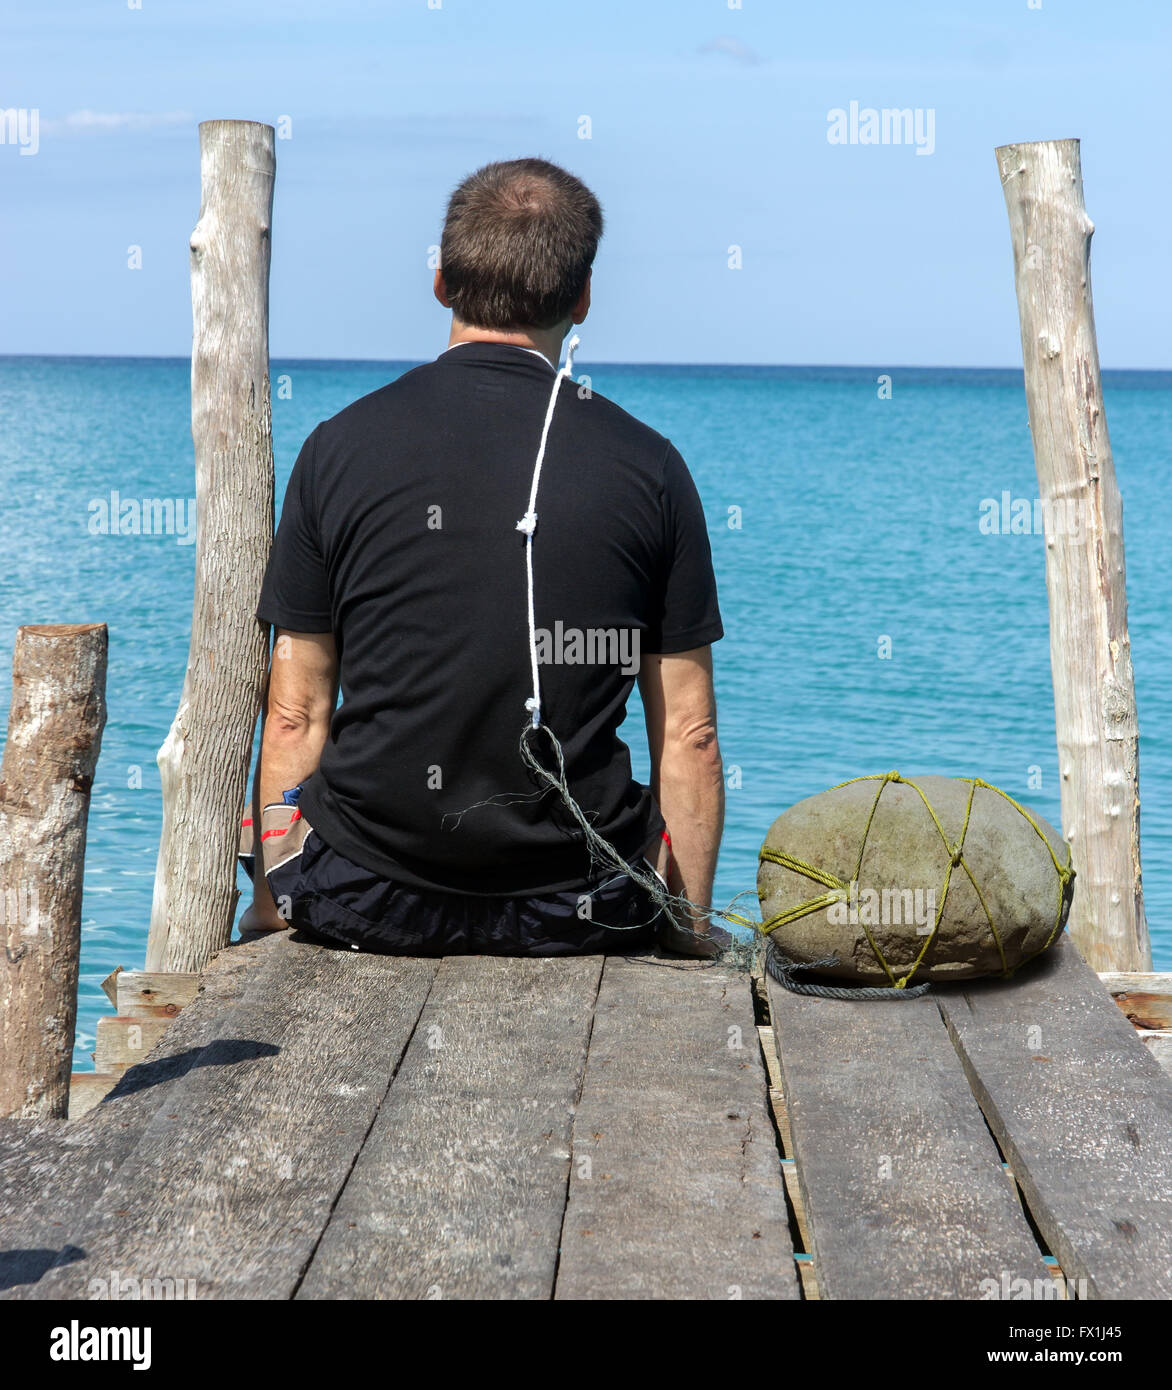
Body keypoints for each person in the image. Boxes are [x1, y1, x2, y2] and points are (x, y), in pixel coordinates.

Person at [239, 156, 729, 958]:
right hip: (582, 909)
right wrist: (690, 934)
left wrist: (272, 901)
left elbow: (296, 712)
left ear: (441, 282)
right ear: (582, 297)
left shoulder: (336, 449)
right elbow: (690, 735)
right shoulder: (651, 468)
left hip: (364, 897)